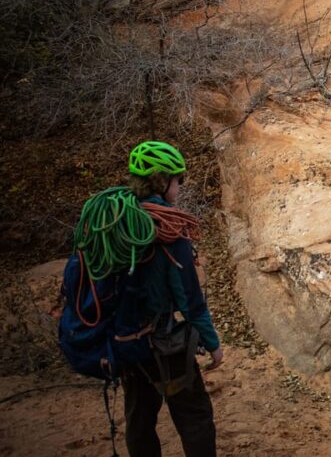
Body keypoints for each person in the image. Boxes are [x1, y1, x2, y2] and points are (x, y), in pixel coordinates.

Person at [123, 140, 223, 457]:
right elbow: (189, 299)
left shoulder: (119, 221)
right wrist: (212, 343)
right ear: (162, 180)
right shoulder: (168, 226)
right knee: (195, 416)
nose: (180, 186)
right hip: (164, 344)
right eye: (178, 179)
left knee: (139, 419)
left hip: (126, 341)